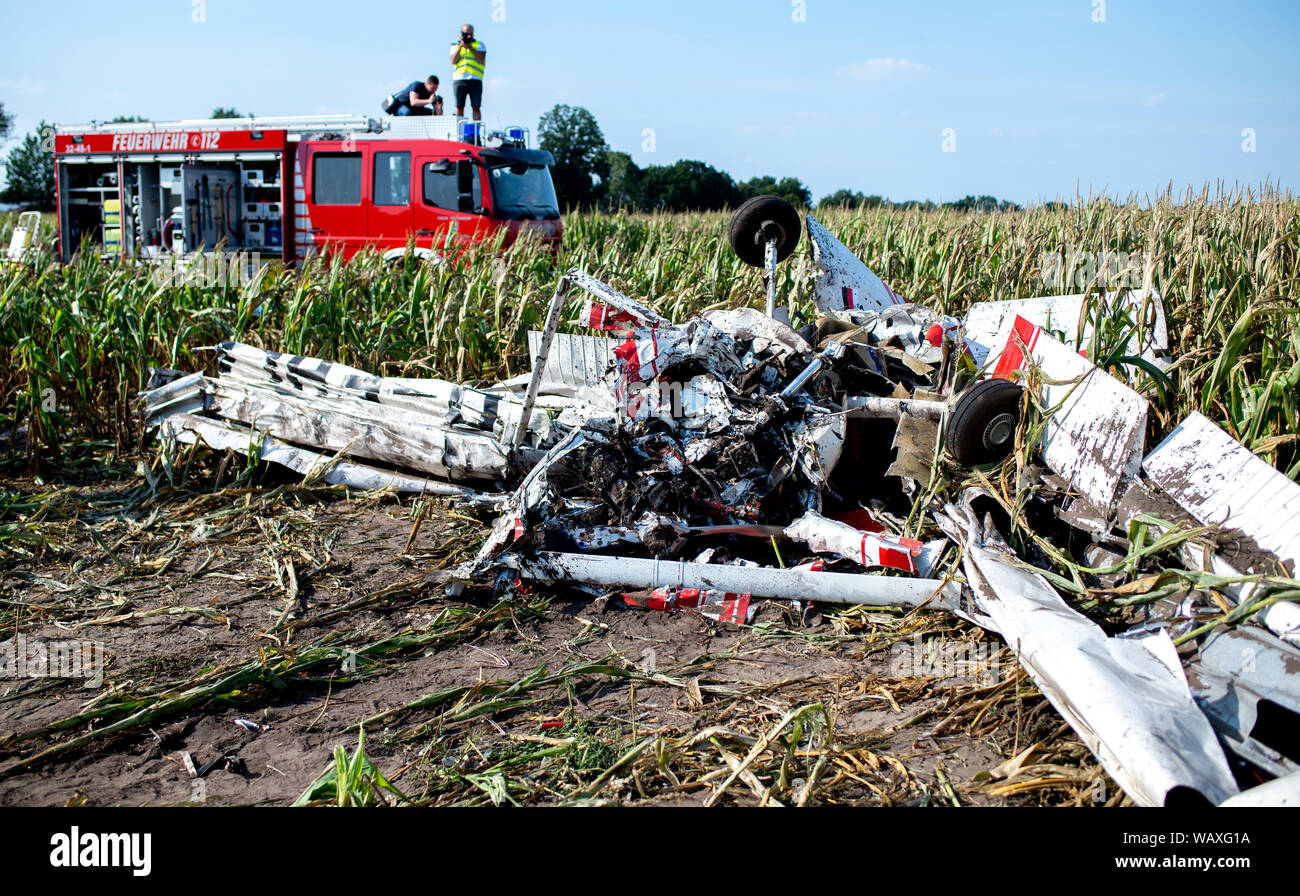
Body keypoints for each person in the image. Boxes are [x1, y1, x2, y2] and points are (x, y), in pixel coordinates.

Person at [448, 23, 487, 121]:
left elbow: (481, 60)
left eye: (470, 34)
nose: (468, 37)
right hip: (459, 80)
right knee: (459, 106)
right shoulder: (455, 47)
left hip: (475, 79)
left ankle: (476, 131)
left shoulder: (479, 45)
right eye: (466, 34)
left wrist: (470, 47)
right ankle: (460, 129)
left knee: (476, 107)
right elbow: (453, 61)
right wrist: (461, 46)